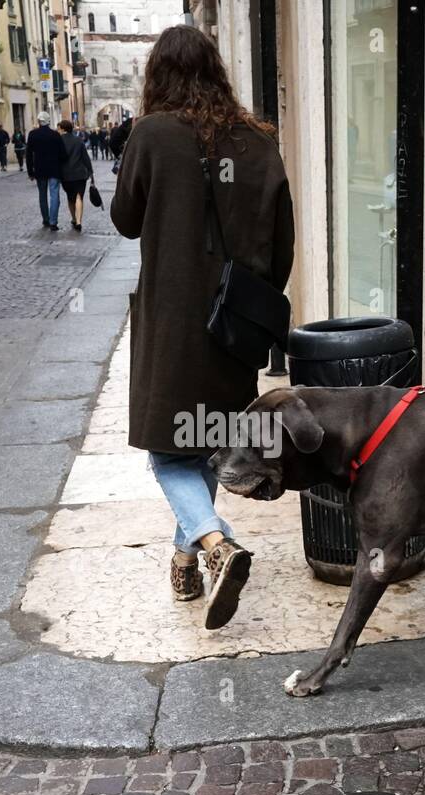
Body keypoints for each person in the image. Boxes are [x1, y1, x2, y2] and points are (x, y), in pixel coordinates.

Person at [111, 25, 294, 629]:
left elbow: (125, 219)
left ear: (157, 75)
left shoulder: (152, 134)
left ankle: (215, 545)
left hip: (174, 321)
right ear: (216, 70)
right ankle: (183, 561)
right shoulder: (258, 140)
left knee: (169, 453)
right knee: (206, 439)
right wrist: (259, 303)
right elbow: (282, 238)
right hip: (234, 322)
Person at [25, 111, 66, 230]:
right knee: (54, 196)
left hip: (40, 170)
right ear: (49, 121)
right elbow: (63, 154)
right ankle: (53, 222)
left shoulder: (33, 134)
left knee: (42, 196)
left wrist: (30, 172)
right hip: (54, 170)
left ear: (39, 121)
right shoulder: (55, 135)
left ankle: (46, 220)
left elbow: (28, 155)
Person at [57, 119, 93, 233]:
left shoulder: (59, 141)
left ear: (62, 129)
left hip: (66, 175)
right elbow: (85, 157)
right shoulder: (78, 140)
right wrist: (90, 171)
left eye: (59, 128)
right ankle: (78, 221)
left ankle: (73, 218)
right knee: (79, 197)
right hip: (80, 174)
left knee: (70, 197)